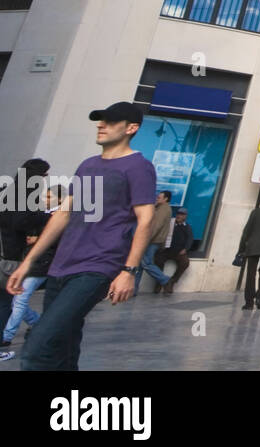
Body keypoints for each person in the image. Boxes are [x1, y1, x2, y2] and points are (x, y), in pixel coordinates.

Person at [9, 102, 157, 371]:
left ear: (131, 128)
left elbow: (145, 220)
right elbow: (63, 215)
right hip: (61, 266)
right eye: (100, 121)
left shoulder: (138, 167)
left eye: (110, 121)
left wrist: (128, 271)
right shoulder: (88, 165)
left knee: (36, 347)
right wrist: (28, 262)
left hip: (97, 267)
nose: (101, 125)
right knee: (63, 344)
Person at [1, 185, 60, 347]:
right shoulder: (41, 215)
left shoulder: (58, 216)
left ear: (60, 199)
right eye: (44, 197)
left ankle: (6, 336)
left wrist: (37, 239)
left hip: (41, 264)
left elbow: (57, 238)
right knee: (15, 299)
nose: (44, 200)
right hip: (31, 262)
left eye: (49, 197)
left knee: (19, 300)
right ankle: (39, 324)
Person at [0, 158, 50, 333]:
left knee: (11, 299)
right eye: (44, 175)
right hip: (10, 257)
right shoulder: (25, 197)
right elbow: (21, 222)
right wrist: (47, 219)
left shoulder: (7, 192)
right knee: (8, 300)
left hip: (6, 253)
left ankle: (37, 323)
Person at [136, 190, 173, 293]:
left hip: (152, 241)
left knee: (146, 263)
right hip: (153, 240)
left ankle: (165, 280)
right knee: (139, 264)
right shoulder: (161, 208)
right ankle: (133, 290)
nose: (157, 198)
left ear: (166, 199)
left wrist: (144, 239)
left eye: (159, 197)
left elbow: (156, 226)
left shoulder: (164, 209)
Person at [153, 206, 194, 294]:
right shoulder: (170, 224)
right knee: (158, 260)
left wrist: (185, 249)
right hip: (166, 250)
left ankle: (172, 281)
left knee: (185, 262)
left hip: (178, 252)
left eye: (182, 214)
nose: (179, 216)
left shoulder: (187, 227)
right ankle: (159, 281)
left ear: (185, 216)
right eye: (178, 214)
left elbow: (190, 239)